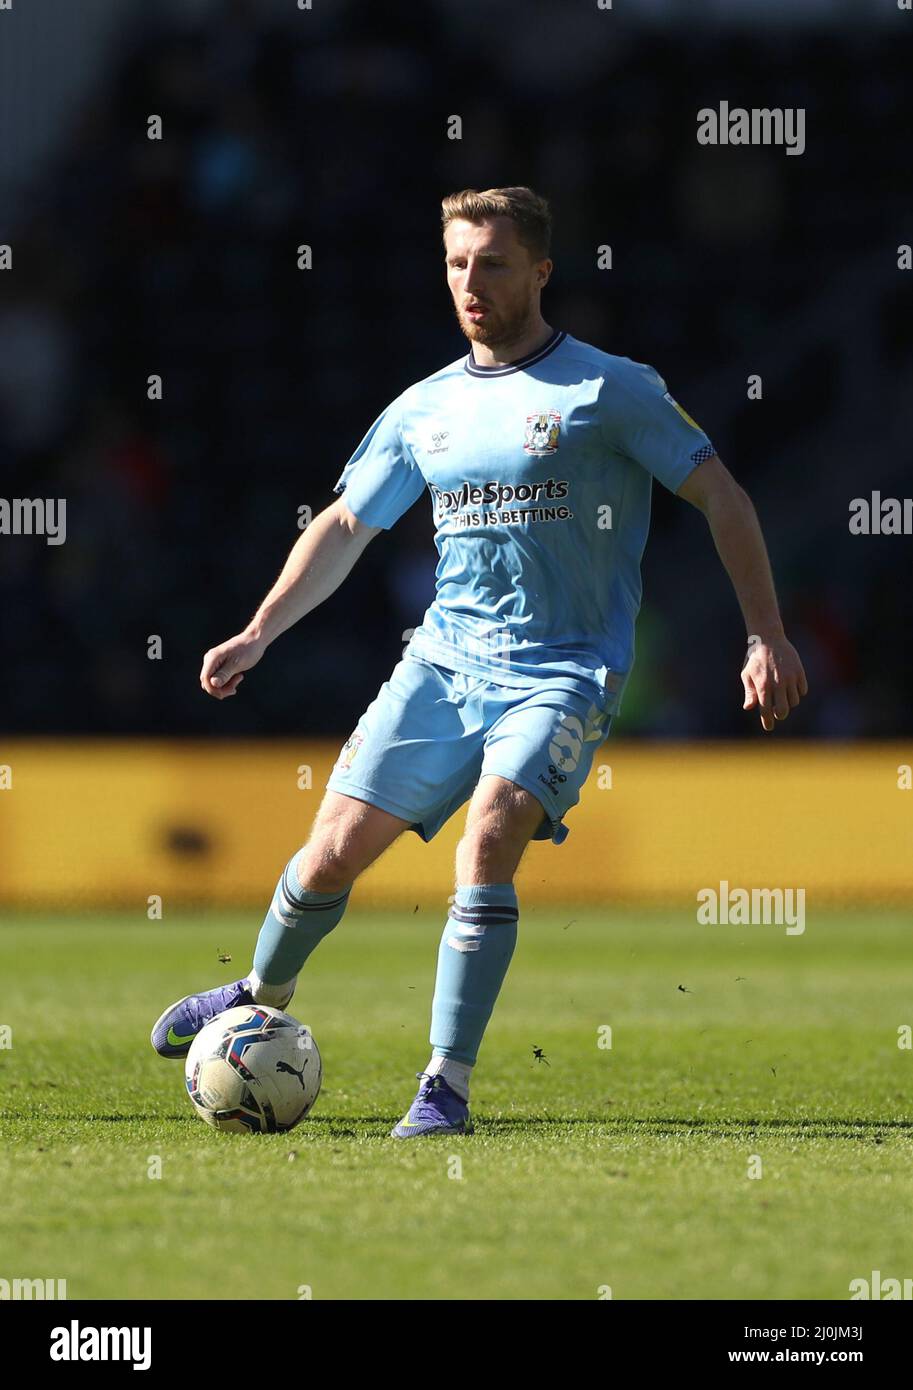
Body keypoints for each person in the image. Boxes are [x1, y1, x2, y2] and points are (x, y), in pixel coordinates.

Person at [151, 186, 808, 1138]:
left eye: (492, 263)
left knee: (489, 835)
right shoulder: (426, 408)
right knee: (330, 855)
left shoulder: (609, 388)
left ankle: (443, 1085)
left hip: (563, 670)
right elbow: (344, 525)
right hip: (443, 664)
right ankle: (257, 989)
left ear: (540, 272)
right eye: (457, 262)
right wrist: (259, 631)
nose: (471, 281)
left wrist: (765, 633)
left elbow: (724, 497)